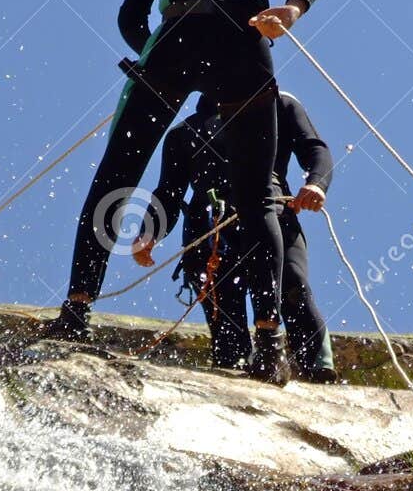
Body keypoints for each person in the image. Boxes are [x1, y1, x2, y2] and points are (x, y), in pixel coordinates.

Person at [39, 0, 334, 387]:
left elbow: (130, 15)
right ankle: (269, 343)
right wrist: (294, 6)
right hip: (246, 46)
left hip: (176, 42)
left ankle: (76, 313)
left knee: (115, 180)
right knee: (258, 197)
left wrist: (150, 55)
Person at [143, 90, 338, 383]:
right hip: (210, 231)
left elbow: (315, 150)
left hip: (272, 214)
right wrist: (149, 232)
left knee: (292, 285)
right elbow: (168, 194)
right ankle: (236, 373)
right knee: (227, 324)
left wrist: (316, 184)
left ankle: (318, 372)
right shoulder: (184, 134)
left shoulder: (278, 104)